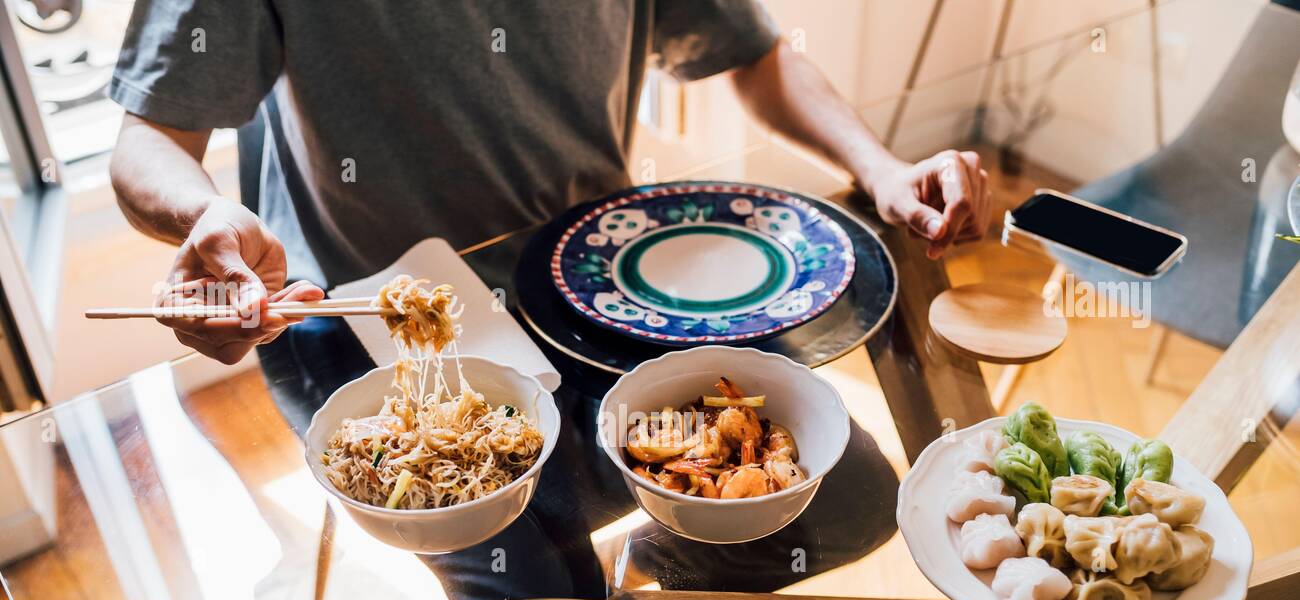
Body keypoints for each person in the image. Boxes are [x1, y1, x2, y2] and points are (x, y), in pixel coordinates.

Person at [109, 0, 991, 364]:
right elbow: (146, 140)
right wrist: (206, 212)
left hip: (607, 289)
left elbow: (755, 57)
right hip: (366, 314)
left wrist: (879, 166)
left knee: (842, 499)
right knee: (543, 593)